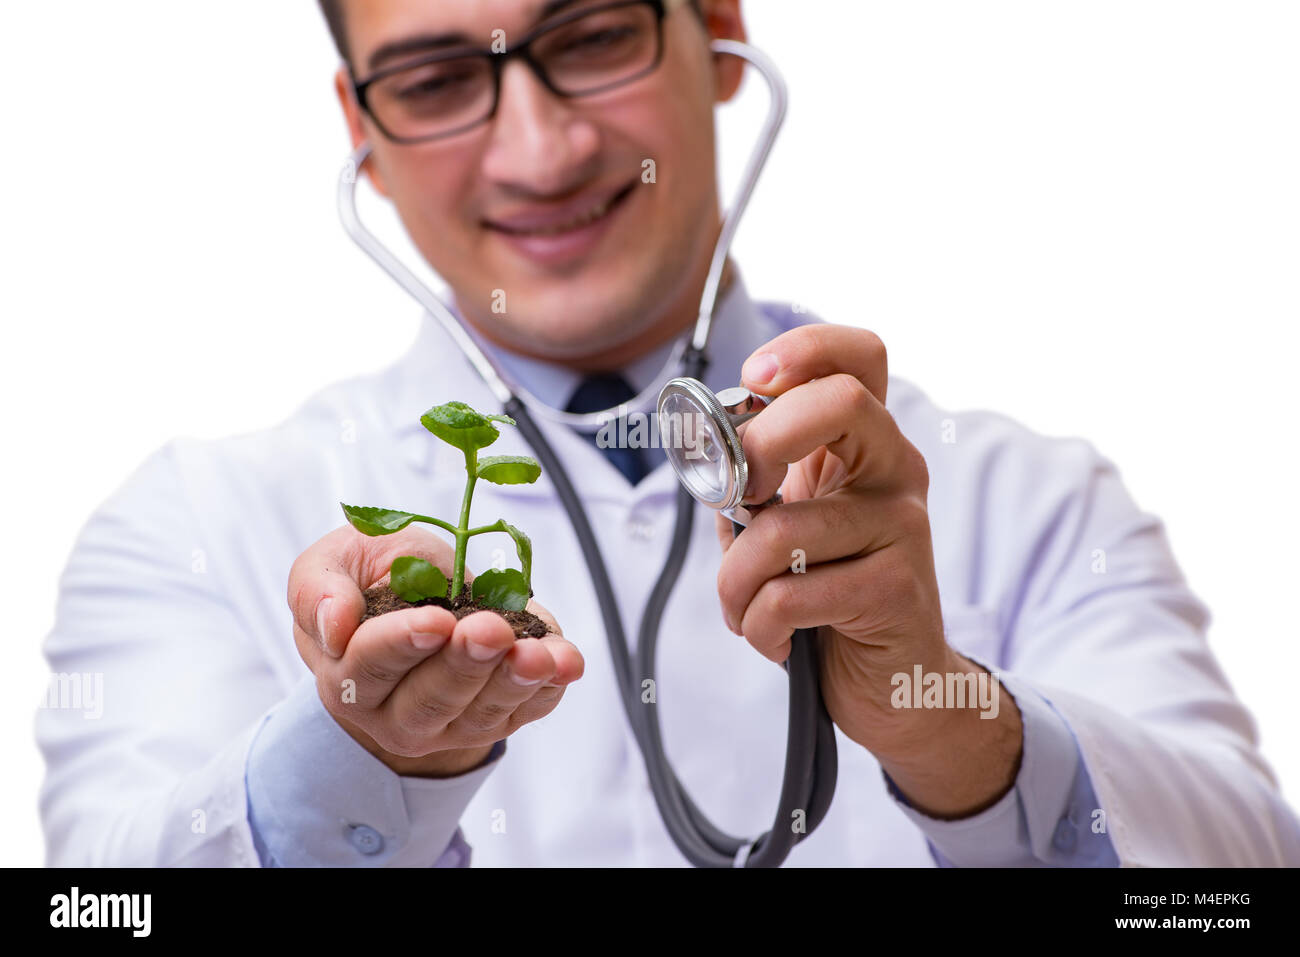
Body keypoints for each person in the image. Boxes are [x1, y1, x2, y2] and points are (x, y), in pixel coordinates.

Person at [36, 0, 1300, 867]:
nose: (540, 150)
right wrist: (368, 759)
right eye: (434, 80)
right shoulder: (191, 525)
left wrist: (949, 726)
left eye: (589, 37)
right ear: (360, 130)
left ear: (721, 32)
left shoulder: (1035, 504)